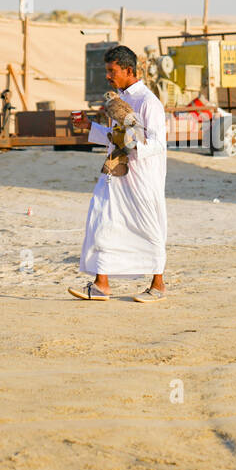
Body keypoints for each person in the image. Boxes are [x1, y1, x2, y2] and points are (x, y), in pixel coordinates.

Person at [70, 45, 167, 302]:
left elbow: (158, 144)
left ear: (129, 70)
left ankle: (158, 285)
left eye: (112, 71)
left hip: (143, 177)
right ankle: (101, 284)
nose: (108, 76)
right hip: (115, 171)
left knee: (148, 226)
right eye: (107, 71)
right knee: (100, 217)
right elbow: (115, 139)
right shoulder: (117, 100)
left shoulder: (148, 102)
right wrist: (88, 127)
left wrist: (133, 142)